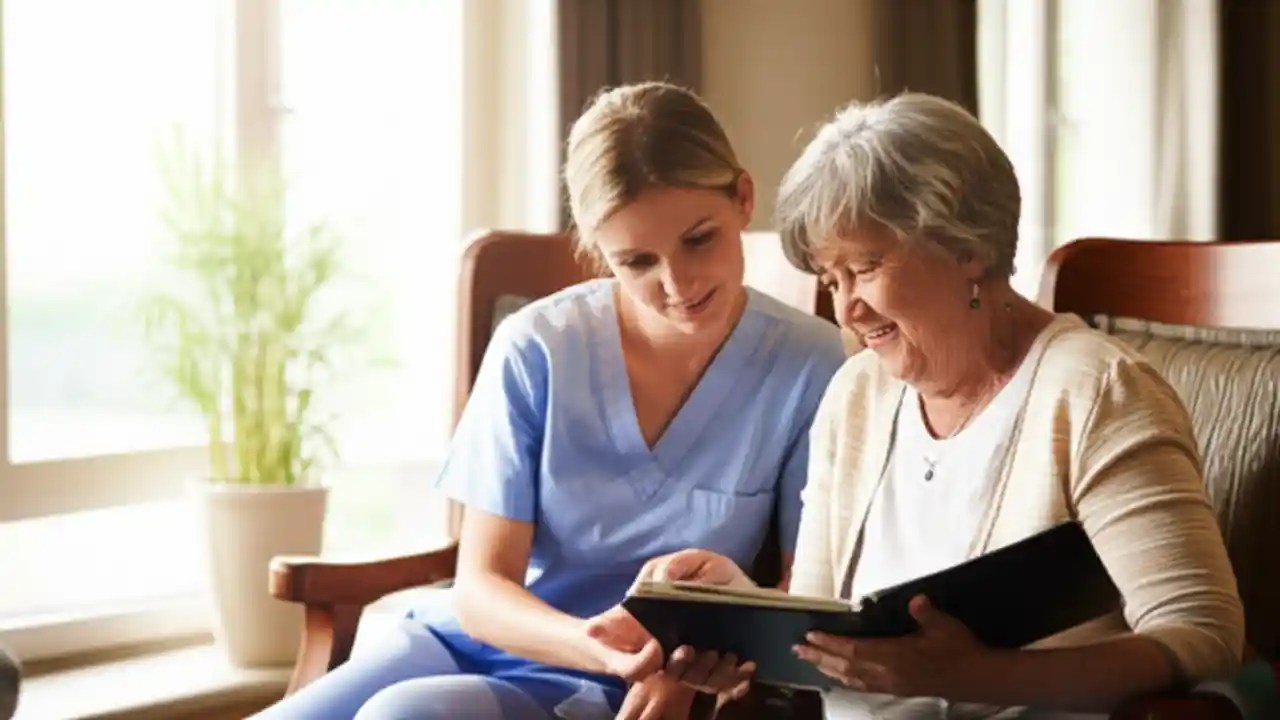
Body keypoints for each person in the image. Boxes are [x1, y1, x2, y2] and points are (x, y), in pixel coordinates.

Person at [594, 92, 1245, 719]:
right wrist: (740, 613)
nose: (845, 307)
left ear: (967, 245)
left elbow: (1201, 635)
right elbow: (826, 631)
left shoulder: (1095, 392)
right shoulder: (856, 395)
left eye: (867, 266)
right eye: (831, 278)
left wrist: (979, 678)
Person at [251, 82, 846, 719]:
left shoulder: (810, 363)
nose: (678, 284)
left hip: (616, 689)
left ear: (743, 199)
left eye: (698, 240)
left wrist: (689, 668)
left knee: (405, 716)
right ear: (599, 253)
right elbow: (481, 588)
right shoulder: (536, 349)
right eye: (637, 260)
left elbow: (800, 594)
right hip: (475, 641)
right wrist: (589, 643)